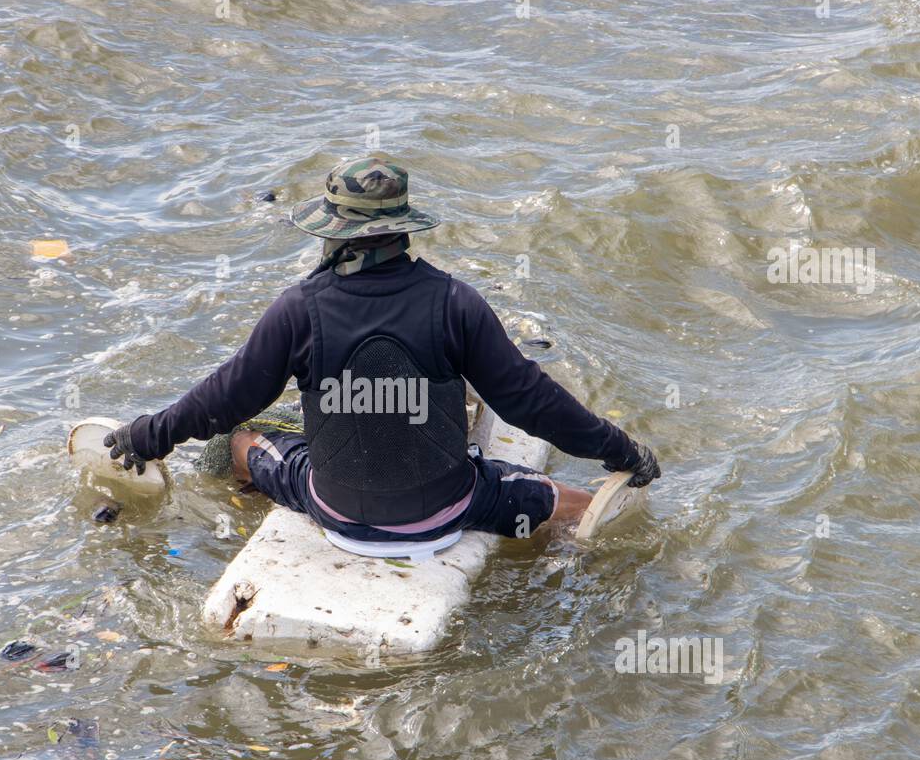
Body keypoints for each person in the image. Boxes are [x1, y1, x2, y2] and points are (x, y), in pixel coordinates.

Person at [105, 154, 659, 546]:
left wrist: (145, 435)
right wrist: (621, 450)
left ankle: (244, 507)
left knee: (245, 445)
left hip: (336, 511)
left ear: (334, 233)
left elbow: (221, 401)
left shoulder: (298, 310)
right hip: (449, 510)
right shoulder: (455, 303)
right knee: (574, 504)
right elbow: (530, 401)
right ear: (402, 230)